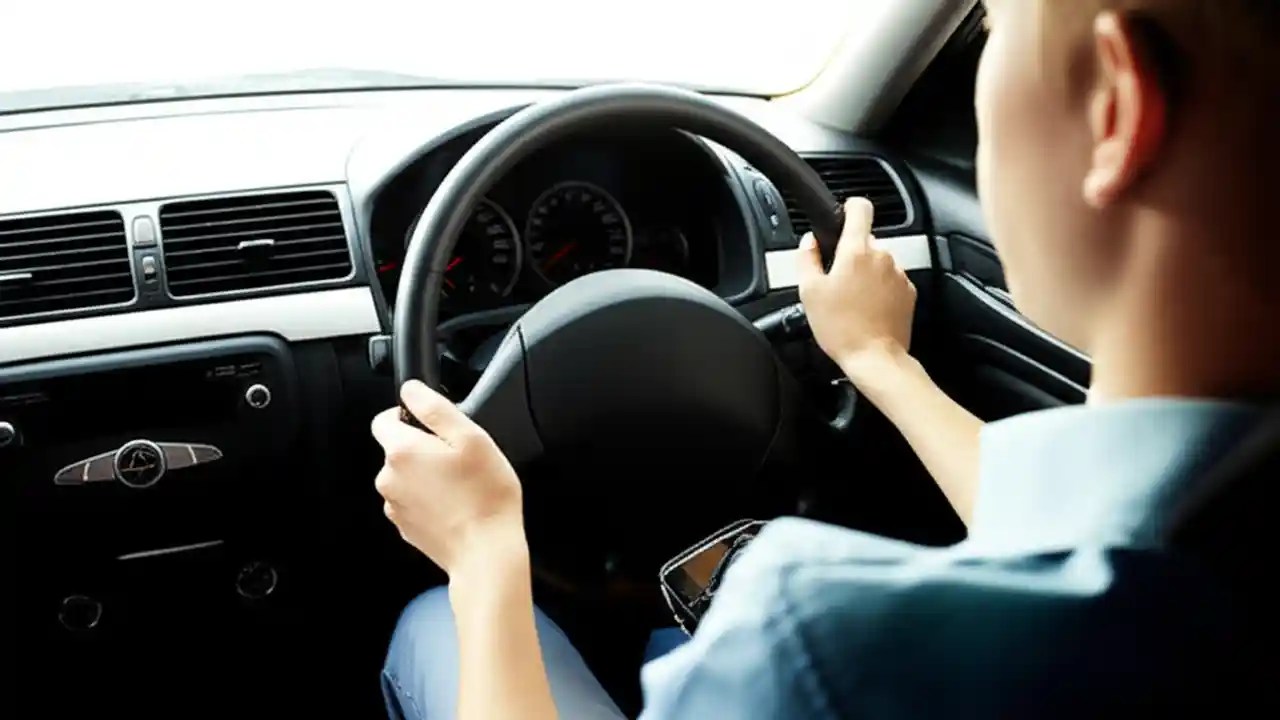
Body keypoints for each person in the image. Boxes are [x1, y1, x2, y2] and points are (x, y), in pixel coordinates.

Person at [371, 0, 1280, 717]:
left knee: (433, 627)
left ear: (1114, 110)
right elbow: (1078, 527)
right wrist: (881, 360)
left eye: (992, 32)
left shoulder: (810, 641)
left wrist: (485, 550)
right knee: (671, 647)